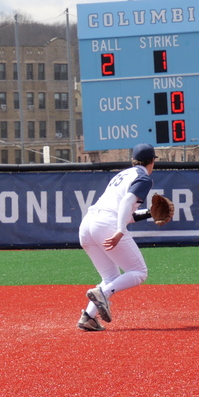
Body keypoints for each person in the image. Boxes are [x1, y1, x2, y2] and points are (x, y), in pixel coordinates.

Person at [76, 142, 157, 331]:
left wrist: (149, 212)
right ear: (152, 161)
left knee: (111, 277)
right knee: (139, 272)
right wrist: (120, 230)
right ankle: (102, 294)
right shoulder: (144, 178)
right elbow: (126, 204)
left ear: (133, 160)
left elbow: (125, 211)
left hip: (88, 224)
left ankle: (88, 317)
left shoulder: (122, 175)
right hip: (107, 223)